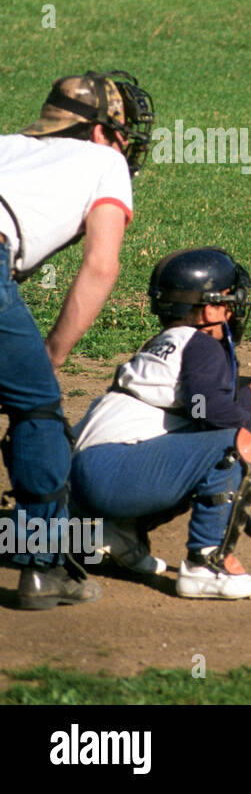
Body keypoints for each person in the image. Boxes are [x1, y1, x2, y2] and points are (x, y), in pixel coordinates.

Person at [0, 70, 154, 609]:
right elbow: (101, 266)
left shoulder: (5, 146)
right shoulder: (105, 162)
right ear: (96, 130)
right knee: (37, 414)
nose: (124, 144)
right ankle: (42, 568)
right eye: (120, 131)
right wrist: (52, 355)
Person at [70, 248, 251, 600]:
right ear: (210, 308)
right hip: (110, 473)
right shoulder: (203, 345)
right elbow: (207, 411)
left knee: (203, 446)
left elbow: (198, 408)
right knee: (231, 445)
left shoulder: (163, 344)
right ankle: (205, 565)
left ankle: (116, 532)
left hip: (81, 476)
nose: (234, 308)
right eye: (228, 300)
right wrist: (250, 424)